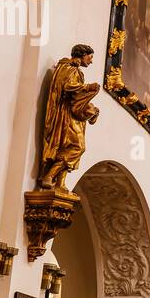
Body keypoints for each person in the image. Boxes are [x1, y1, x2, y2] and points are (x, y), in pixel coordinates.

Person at [37, 44, 100, 192]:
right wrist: (87, 88)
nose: (91, 61)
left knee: (68, 147)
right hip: (65, 116)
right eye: (90, 57)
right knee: (77, 147)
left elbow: (76, 95)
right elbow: (67, 86)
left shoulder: (75, 70)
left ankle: (60, 183)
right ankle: (49, 176)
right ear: (82, 55)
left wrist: (91, 108)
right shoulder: (68, 68)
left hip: (73, 115)